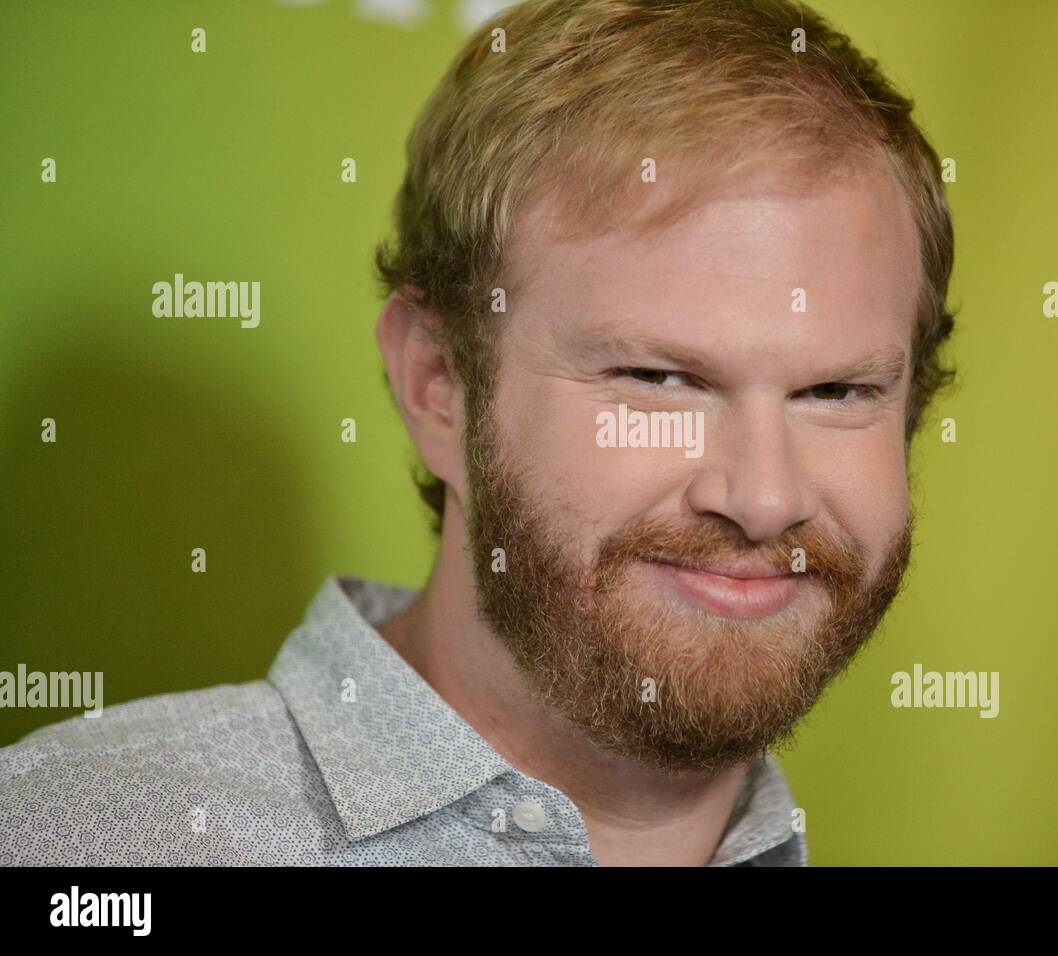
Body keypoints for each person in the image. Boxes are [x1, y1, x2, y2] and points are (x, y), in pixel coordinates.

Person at [0, 0, 955, 866]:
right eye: (658, 379)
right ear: (438, 385)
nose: (763, 498)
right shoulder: (84, 838)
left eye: (837, 391)